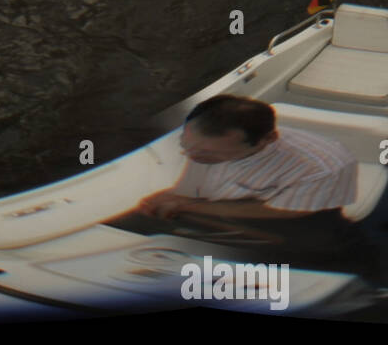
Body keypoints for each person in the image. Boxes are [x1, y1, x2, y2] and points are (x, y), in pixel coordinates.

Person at [121, 96, 366, 261]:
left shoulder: (323, 165)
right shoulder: (197, 144)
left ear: (267, 140)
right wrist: (173, 197)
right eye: (187, 145)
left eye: (209, 153)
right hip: (212, 210)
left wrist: (186, 205)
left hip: (295, 221)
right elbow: (189, 183)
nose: (190, 156)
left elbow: (288, 212)